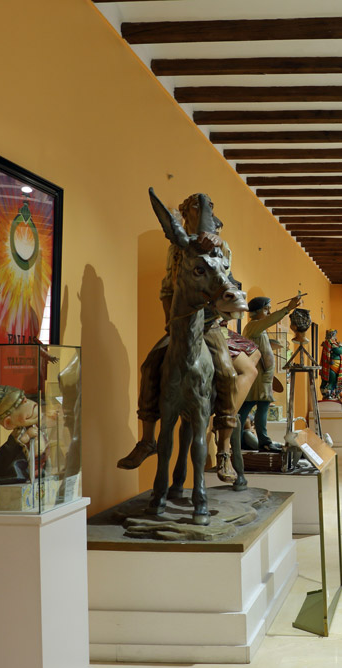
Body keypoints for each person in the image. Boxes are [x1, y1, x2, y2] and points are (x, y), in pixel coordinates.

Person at [118, 193, 241, 472]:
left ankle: (224, 450)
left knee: (227, 374)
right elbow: (167, 289)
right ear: (186, 213)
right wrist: (171, 325)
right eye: (196, 206)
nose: (203, 211)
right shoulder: (176, 247)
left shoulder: (221, 246)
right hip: (181, 323)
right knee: (150, 366)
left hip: (209, 325)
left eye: (208, 207)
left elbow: (224, 283)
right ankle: (147, 440)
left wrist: (217, 244)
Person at [240, 294, 301, 452]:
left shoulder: (257, 329)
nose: (269, 312)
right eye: (266, 309)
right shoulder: (253, 326)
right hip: (259, 376)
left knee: (249, 406)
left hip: (263, 375)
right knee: (256, 406)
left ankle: (242, 439)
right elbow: (269, 321)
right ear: (256, 311)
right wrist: (288, 308)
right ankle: (263, 442)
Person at [319, 329, 342, 398]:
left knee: (333, 381)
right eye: (334, 335)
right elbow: (339, 351)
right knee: (332, 381)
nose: (335, 336)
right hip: (332, 366)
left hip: (334, 366)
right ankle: (327, 393)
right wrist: (341, 346)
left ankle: (329, 394)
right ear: (332, 335)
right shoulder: (330, 342)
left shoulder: (331, 343)